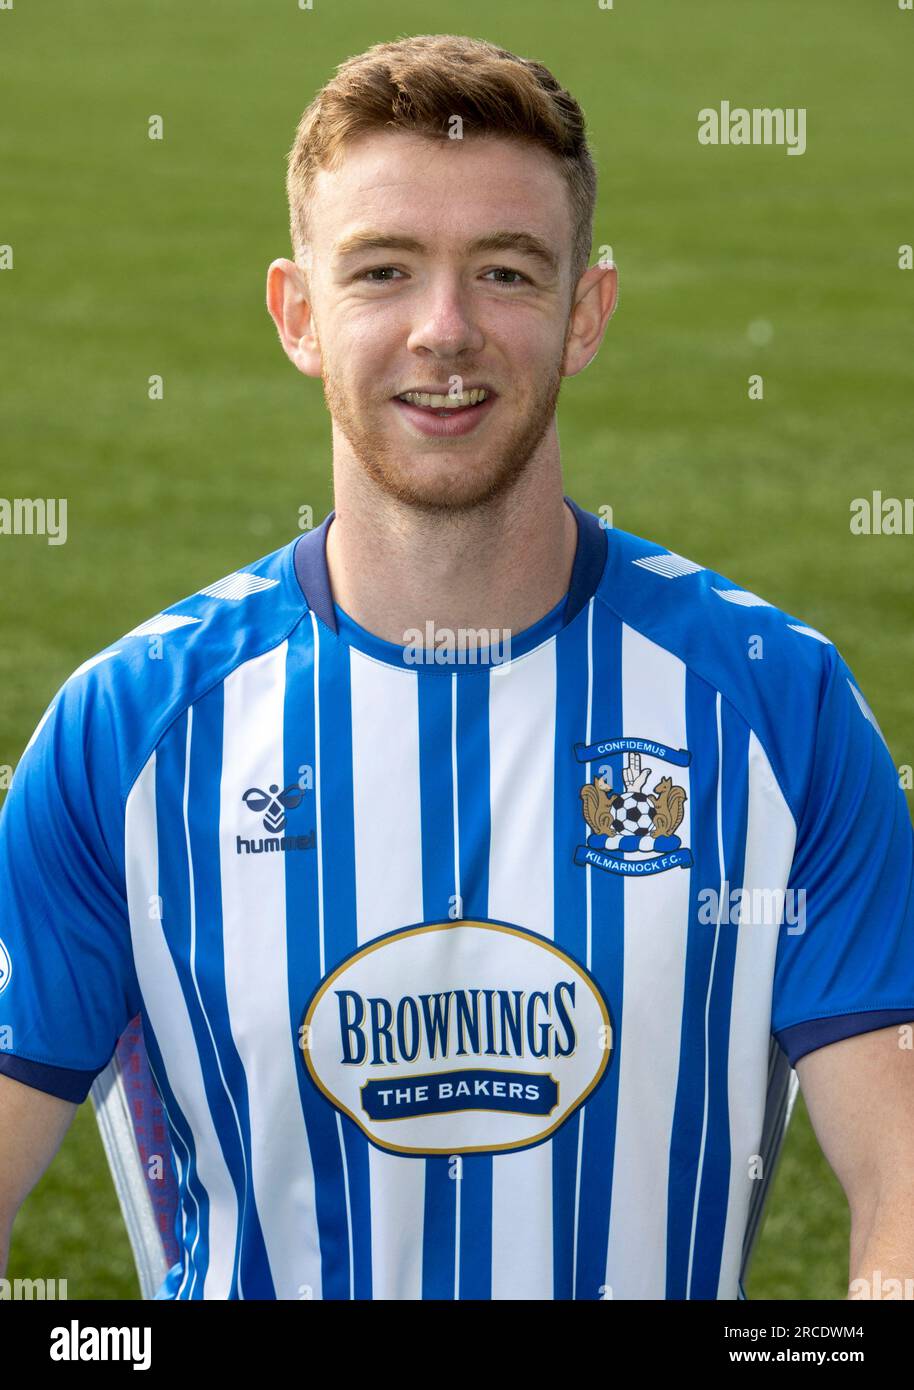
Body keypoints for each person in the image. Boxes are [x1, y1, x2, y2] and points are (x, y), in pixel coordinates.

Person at [1, 33, 912, 1302]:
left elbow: (902, 1194)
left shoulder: (775, 703)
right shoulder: (128, 731)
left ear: (583, 313)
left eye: (504, 271)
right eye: (382, 271)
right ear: (299, 314)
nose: (446, 331)